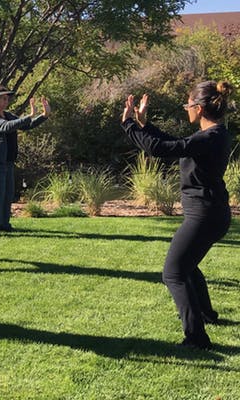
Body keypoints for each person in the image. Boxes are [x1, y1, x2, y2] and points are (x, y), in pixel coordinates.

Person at [121, 81, 235, 350]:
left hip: (205, 215)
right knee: (188, 265)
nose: (187, 111)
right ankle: (207, 315)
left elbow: (161, 149)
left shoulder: (210, 137)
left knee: (173, 273)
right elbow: (175, 144)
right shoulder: (215, 135)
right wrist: (143, 124)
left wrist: (128, 125)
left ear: (198, 107)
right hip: (211, 212)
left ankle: (196, 338)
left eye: (187, 106)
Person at [0, 86, 50, 237]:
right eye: (3, 99)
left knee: (7, 195)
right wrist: (30, 114)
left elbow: (26, 125)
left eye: (7, 99)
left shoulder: (8, 115)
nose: (6, 101)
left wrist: (44, 115)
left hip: (7, 161)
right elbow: (6, 127)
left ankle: (3, 224)